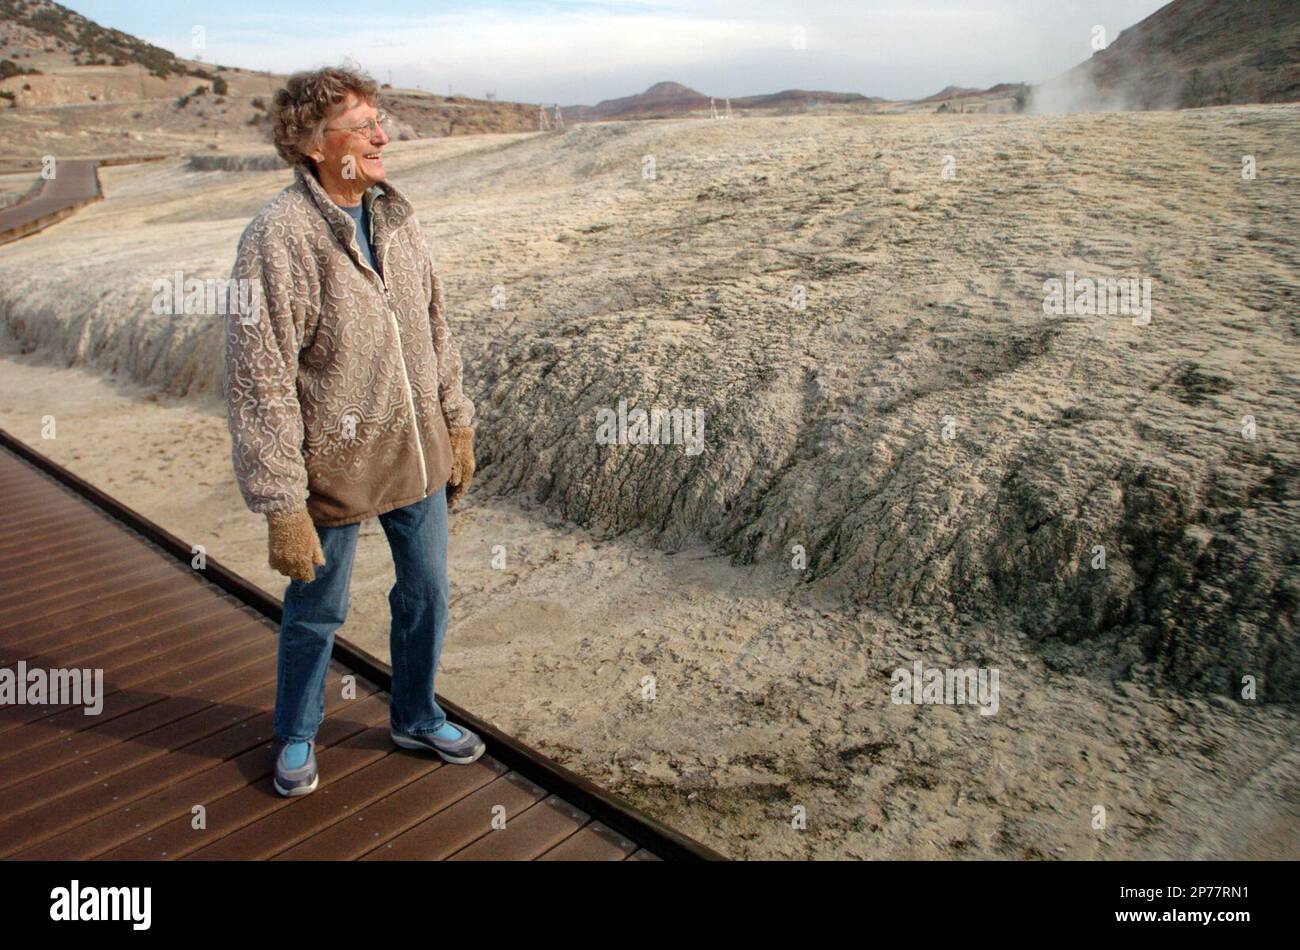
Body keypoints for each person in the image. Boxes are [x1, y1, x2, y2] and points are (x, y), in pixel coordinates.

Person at [223, 65, 484, 797]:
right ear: (313, 143)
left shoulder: (395, 216)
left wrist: (456, 424)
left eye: (379, 120)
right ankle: (299, 731)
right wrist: (281, 504)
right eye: (362, 125)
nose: (381, 135)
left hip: (418, 445)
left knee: (428, 590)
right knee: (318, 607)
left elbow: (434, 322)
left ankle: (415, 713)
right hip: (333, 460)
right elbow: (258, 376)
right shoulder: (277, 236)